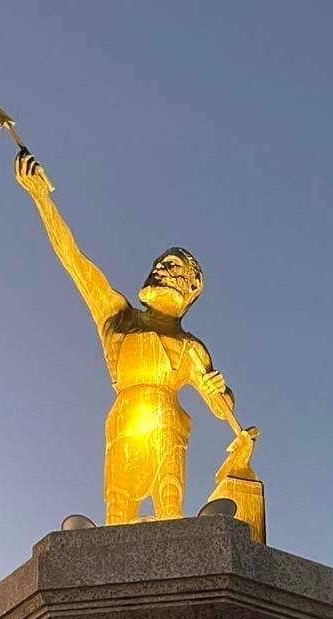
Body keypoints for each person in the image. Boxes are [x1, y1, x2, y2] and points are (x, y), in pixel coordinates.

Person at [15, 150, 254, 524]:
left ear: (191, 286)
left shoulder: (191, 348)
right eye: (158, 264)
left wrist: (224, 399)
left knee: (169, 503)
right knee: (118, 510)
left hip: (167, 424)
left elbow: (220, 405)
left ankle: (176, 536)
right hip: (124, 418)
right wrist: (42, 198)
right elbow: (76, 262)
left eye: (171, 266)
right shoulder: (119, 317)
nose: (159, 268)